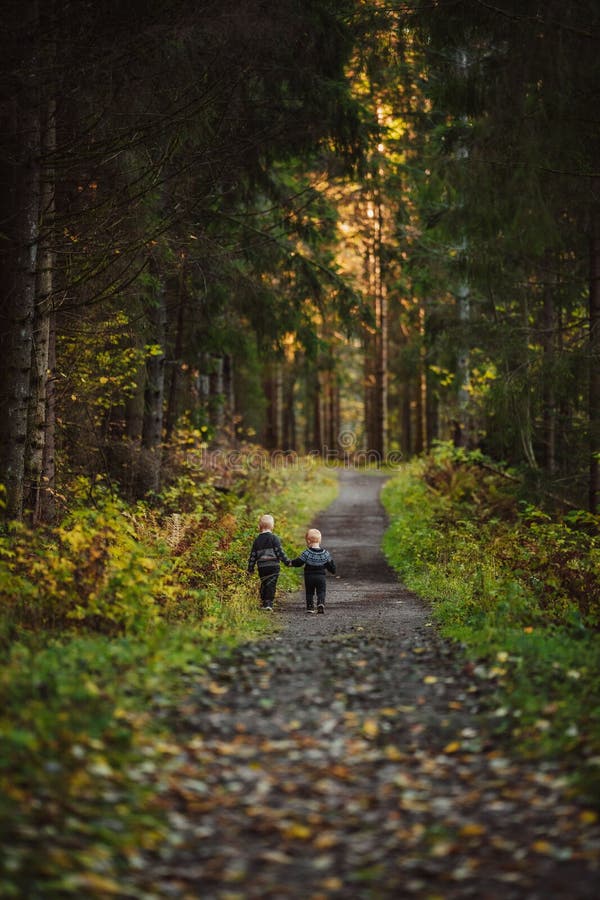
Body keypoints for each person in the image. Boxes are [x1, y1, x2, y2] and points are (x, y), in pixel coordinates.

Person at [247, 514, 291, 611]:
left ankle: (264, 602)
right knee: (271, 584)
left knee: (264, 583)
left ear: (259, 527)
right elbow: (279, 552)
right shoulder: (274, 538)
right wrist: (287, 562)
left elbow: (253, 555)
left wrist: (250, 568)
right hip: (273, 566)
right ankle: (269, 603)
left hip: (262, 567)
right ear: (272, 526)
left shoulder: (257, 540)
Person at [290, 527, 336, 614]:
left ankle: (310, 607)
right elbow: (331, 565)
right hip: (321, 577)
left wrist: (290, 563)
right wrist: (333, 570)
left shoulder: (307, 552)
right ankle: (320, 603)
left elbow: (299, 562)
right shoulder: (325, 553)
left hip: (309, 577)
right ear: (320, 540)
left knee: (309, 592)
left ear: (308, 541)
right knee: (321, 591)